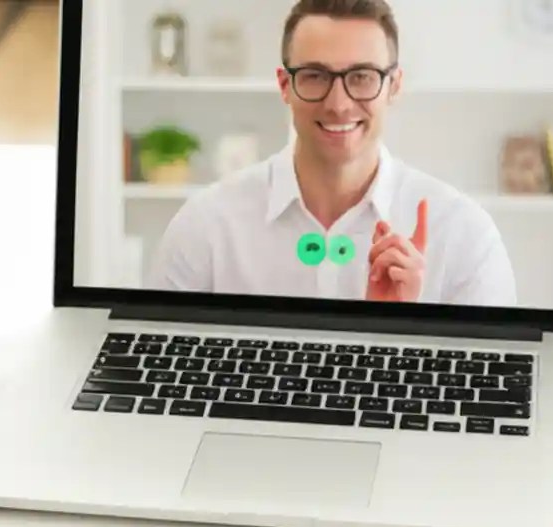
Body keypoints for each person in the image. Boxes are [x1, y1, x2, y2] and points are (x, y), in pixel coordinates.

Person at [145, 0, 517, 306]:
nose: (338, 104)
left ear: (394, 86)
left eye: (362, 77)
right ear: (284, 86)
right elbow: (156, 367)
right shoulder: (205, 226)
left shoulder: (464, 234)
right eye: (315, 76)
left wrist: (405, 329)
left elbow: (490, 387)